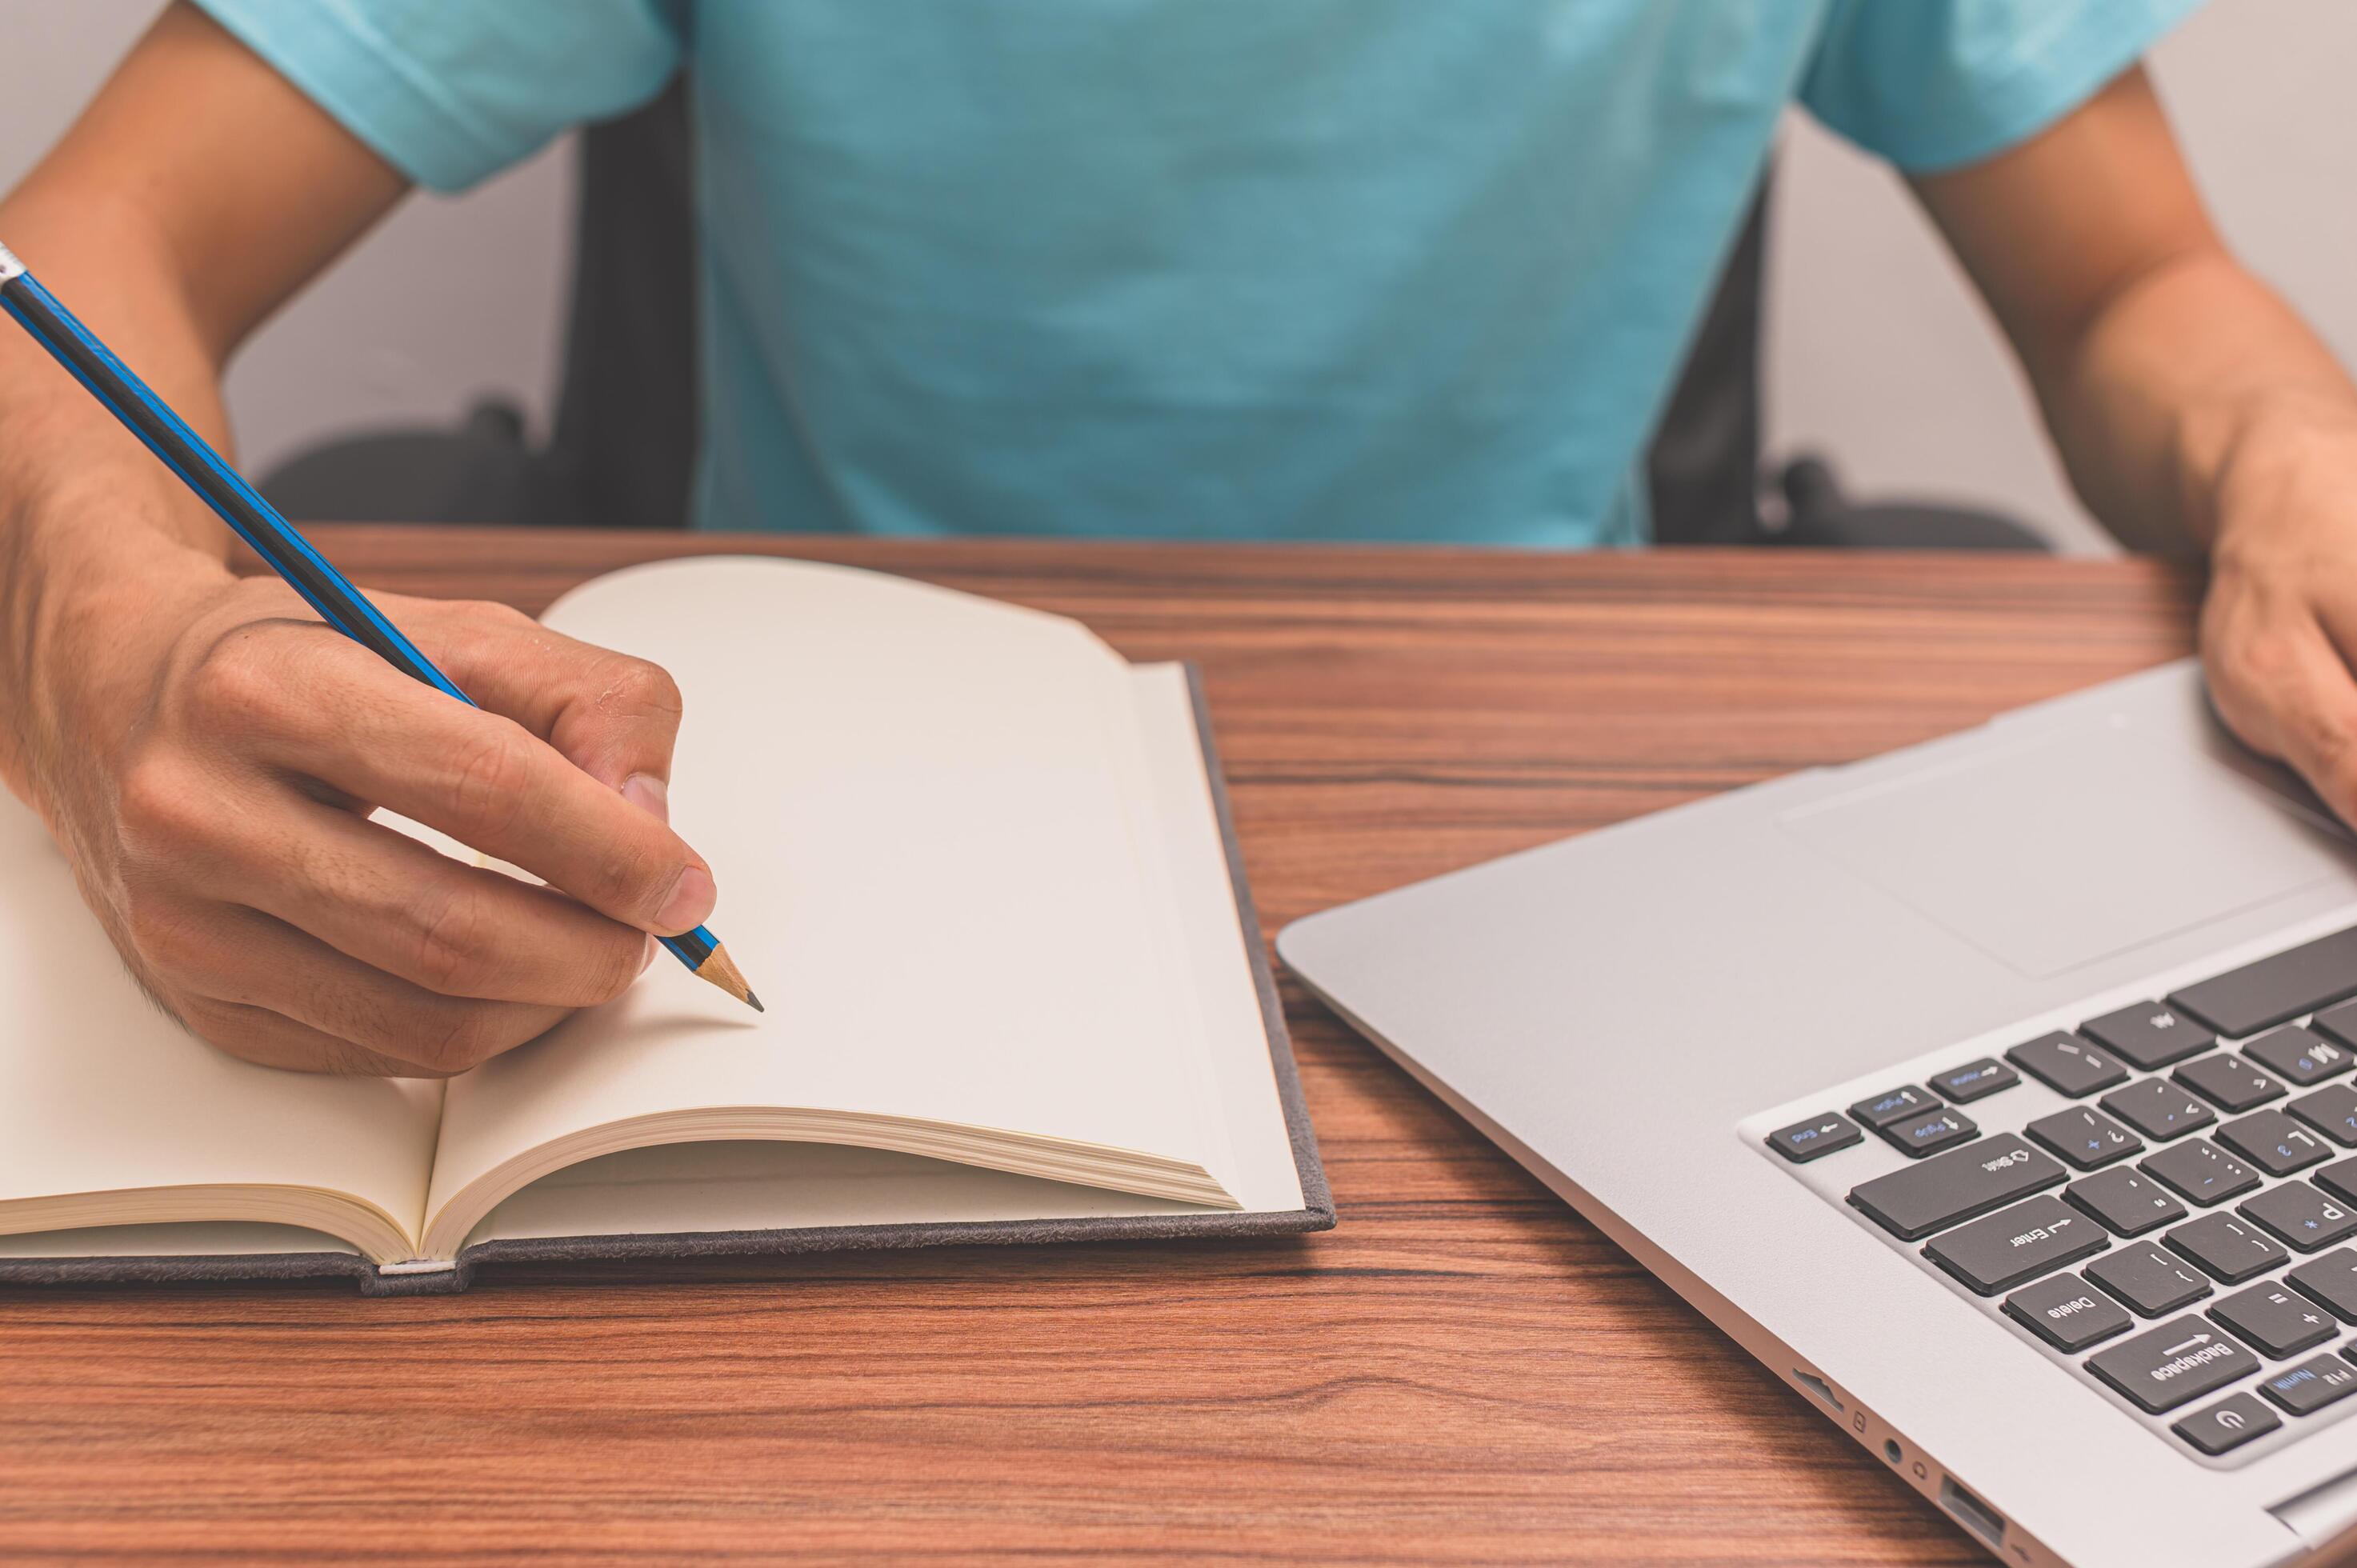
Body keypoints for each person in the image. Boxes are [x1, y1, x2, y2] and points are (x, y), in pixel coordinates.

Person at [2, 2, 2352, 1078]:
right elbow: (92, 255)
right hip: (795, 827)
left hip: (1550, 870)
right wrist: (101, 616)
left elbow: (2137, 288)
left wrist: (2286, 457)